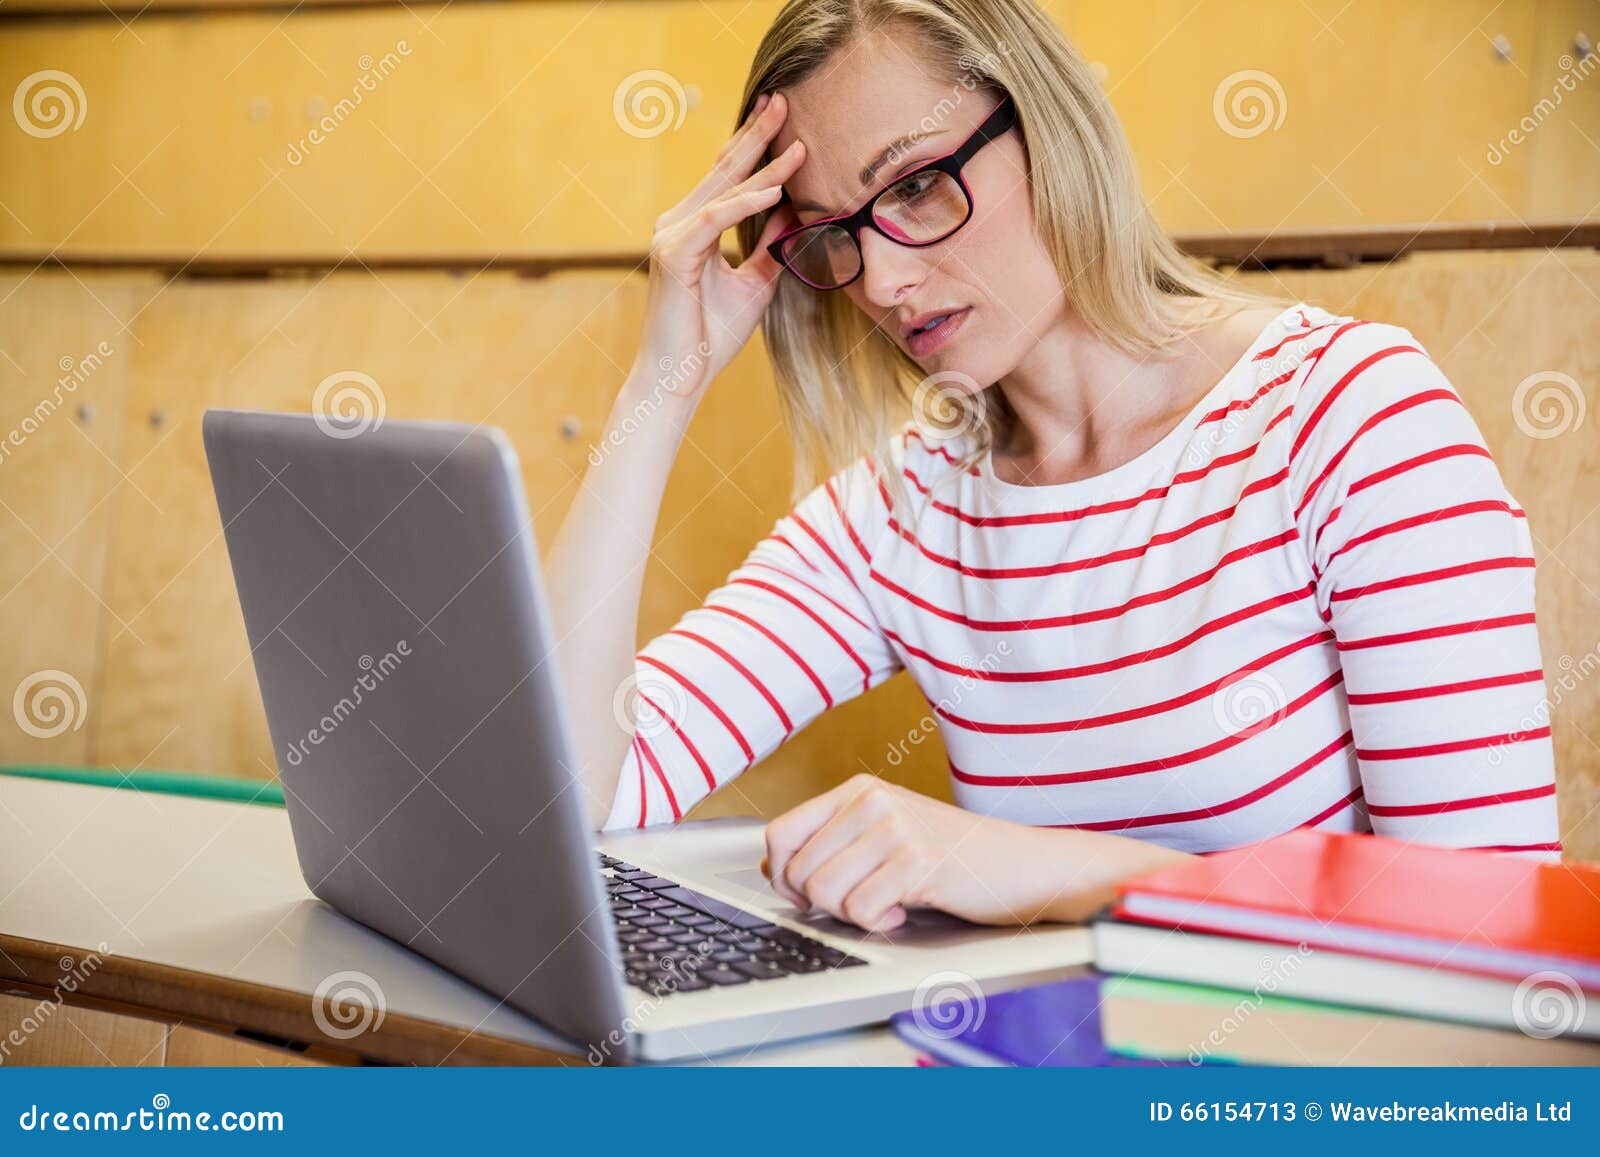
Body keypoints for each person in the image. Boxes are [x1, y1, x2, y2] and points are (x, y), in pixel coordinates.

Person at [544, 0, 1561, 934]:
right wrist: (659, 386)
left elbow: (1487, 918)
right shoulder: (903, 508)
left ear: (1048, 127)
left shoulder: (1347, 416)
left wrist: (1045, 870)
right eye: (830, 235)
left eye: (918, 185)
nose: (886, 278)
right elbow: (566, 789)